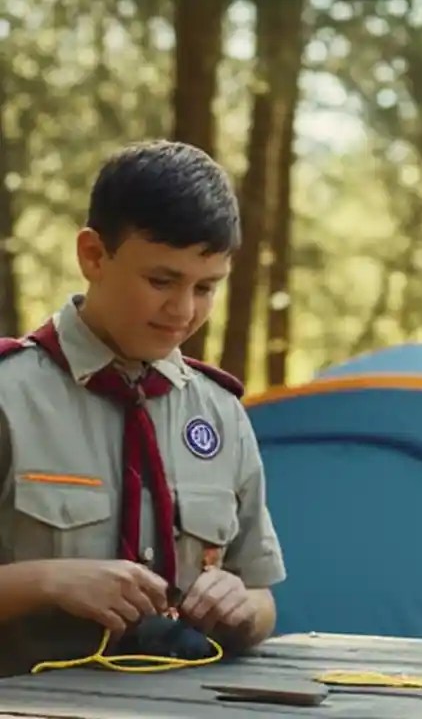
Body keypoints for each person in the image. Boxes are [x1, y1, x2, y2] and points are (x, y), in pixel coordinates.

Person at [0, 140, 287, 676]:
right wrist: (48, 581)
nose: (183, 310)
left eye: (206, 287)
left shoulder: (220, 413)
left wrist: (241, 607)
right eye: (161, 281)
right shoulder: (9, 397)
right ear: (93, 256)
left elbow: (261, 594)